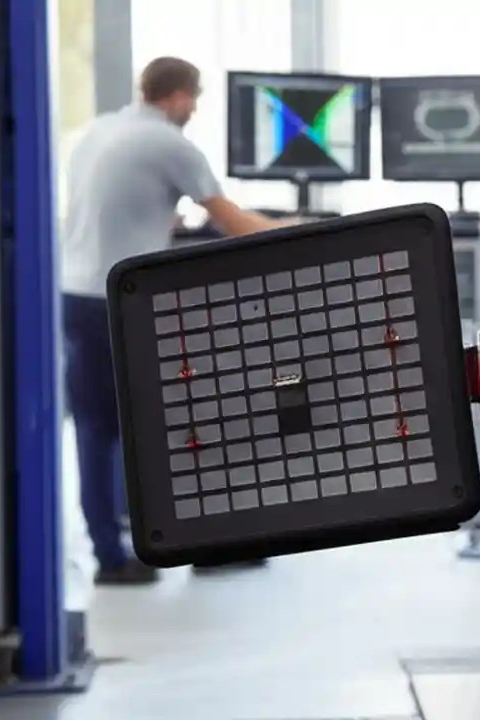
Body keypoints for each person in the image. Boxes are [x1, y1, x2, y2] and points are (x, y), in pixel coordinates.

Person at [60, 57, 284, 585]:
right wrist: (300, 226)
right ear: (180, 95)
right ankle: (196, 545)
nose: (194, 110)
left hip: (74, 293)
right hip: (119, 300)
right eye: (195, 100)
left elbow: (111, 205)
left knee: (96, 428)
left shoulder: (101, 131)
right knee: (179, 418)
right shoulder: (169, 143)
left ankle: (112, 553)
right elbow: (235, 224)